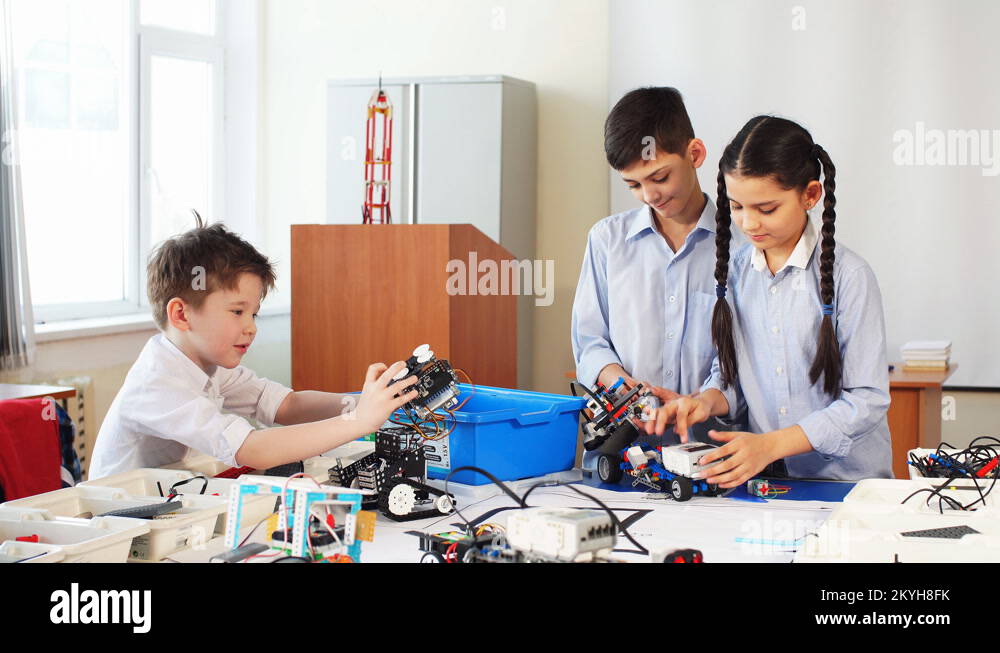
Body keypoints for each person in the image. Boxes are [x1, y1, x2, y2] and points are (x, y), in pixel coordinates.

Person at [647, 116, 892, 485]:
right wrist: (706, 401)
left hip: (848, 484)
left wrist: (773, 444)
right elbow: (732, 377)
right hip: (770, 483)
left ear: (810, 195)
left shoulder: (850, 276)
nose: (748, 224)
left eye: (767, 209)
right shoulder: (734, 273)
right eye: (737, 207)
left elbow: (866, 400)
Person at [89, 217, 418, 479]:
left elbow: (286, 405)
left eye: (254, 313)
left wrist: (370, 402)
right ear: (181, 313)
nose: (251, 326)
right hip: (116, 521)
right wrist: (360, 421)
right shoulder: (157, 384)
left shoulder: (206, 364)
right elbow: (252, 448)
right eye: (237, 311)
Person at [571, 87, 737, 451]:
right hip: (623, 451)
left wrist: (704, 399)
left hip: (712, 452)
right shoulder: (607, 240)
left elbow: (749, 357)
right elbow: (589, 341)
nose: (650, 195)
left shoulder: (742, 243)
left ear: (694, 154)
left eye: (660, 178)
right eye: (633, 184)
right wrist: (617, 381)